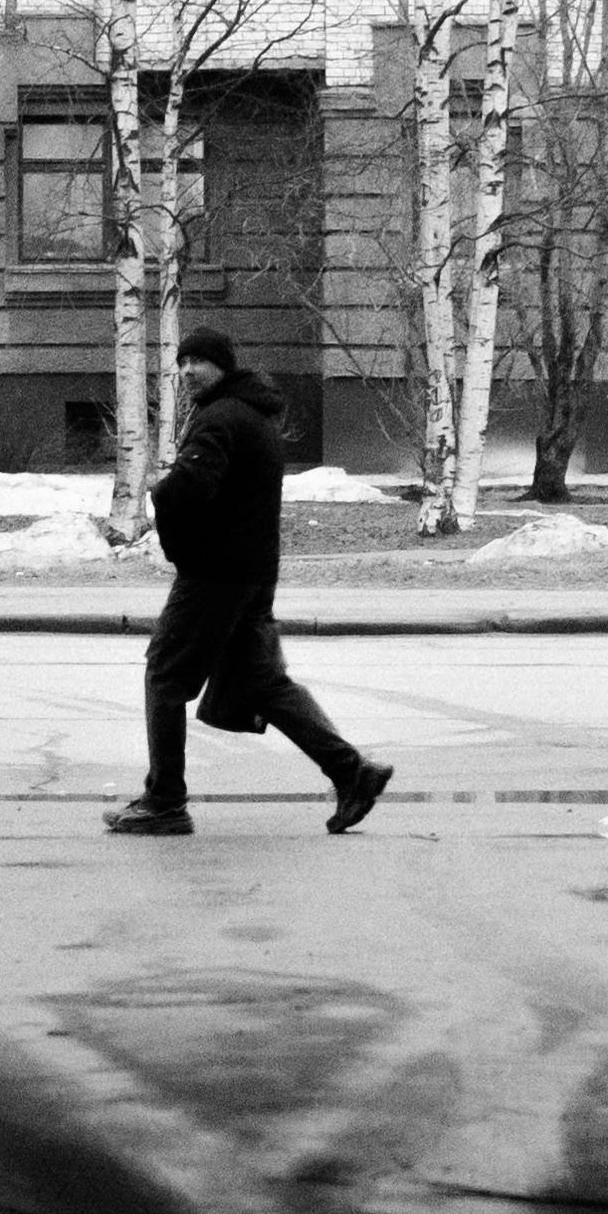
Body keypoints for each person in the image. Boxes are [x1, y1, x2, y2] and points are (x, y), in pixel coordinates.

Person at [105, 324, 393, 839]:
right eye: (182, 363)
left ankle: (165, 802)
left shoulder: (221, 418)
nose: (188, 371)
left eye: (199, 362)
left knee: (165, 677)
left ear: (223, 365)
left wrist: (160, 494)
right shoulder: (257, 416)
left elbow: (191, 487)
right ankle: (352, 772)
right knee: (265, 684)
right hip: (252, 574)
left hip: (216, 575)